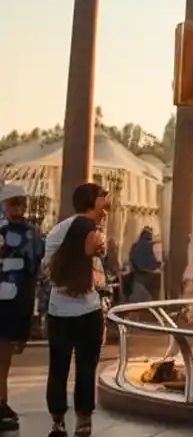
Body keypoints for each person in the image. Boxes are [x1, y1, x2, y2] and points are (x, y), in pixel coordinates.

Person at [44, 182, 111, 437]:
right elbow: (92, 249)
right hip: (86, 310)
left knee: (57, 367)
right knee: (86, 367)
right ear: (90, 201)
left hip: (58, 309)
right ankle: (83, 421)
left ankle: (57, 420)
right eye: (102, 198)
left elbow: (46, 267)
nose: (106, 203)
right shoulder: (88, 227)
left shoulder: (56, 231)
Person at [0, 184, 43, 432]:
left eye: (20, 203)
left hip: (17, 302)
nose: (18, 208)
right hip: (13, 303)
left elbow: (35, 264)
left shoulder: (29, 232)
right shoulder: (28, 232)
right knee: (3, 356)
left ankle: (3, 401)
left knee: (5, 357)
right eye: (13, 203)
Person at [126, 227, 161, 303]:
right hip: (153, 276)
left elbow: (131, 260)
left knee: (139, 303)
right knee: (154, 302)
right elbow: (159, 261)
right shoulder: (154, 245)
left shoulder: (135, 246)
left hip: (139, 276)